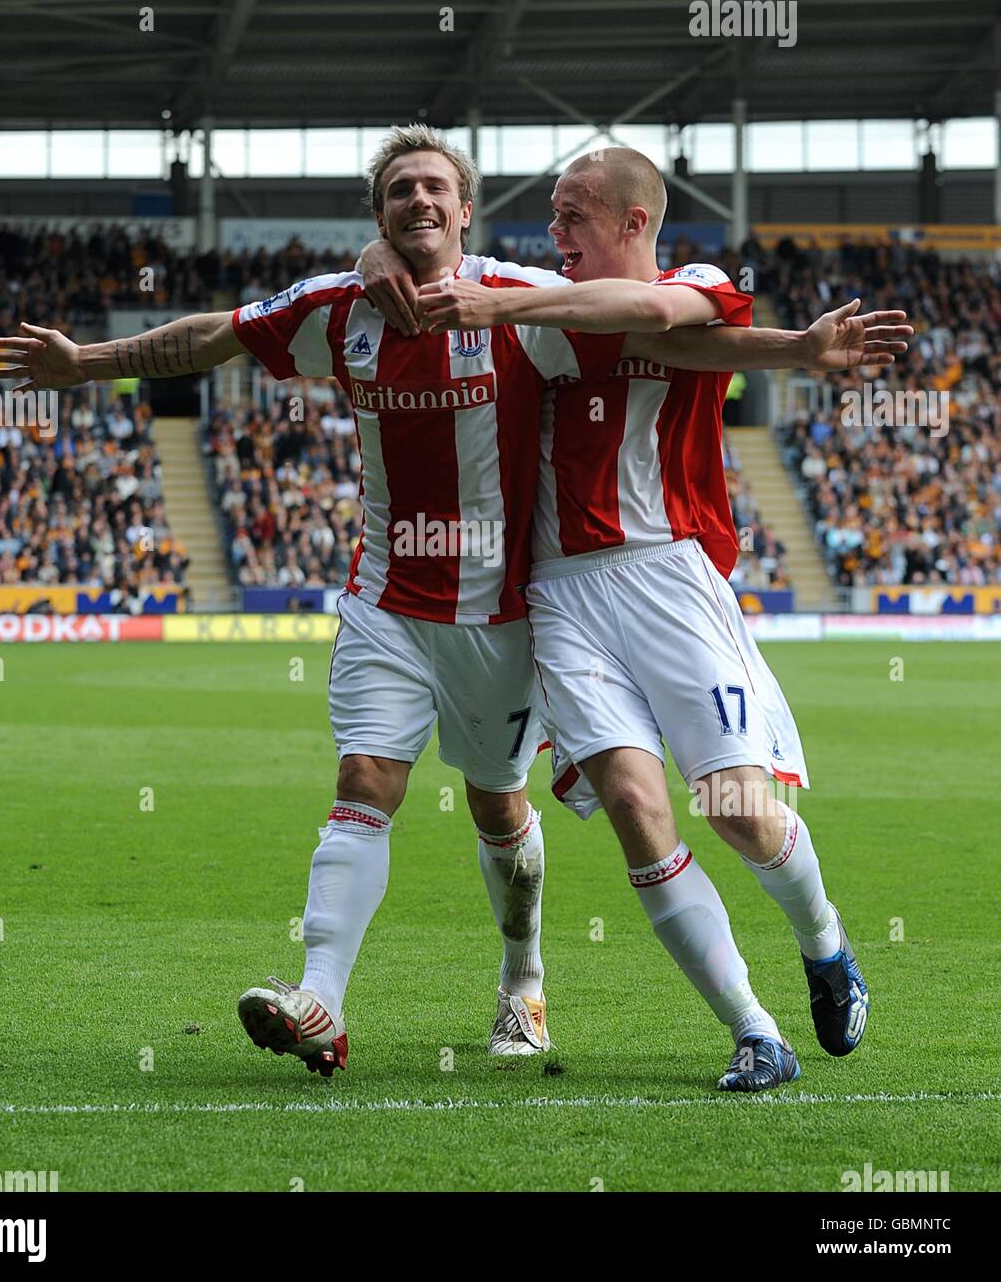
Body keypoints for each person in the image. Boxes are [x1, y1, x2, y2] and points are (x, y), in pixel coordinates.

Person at [0, 128, 903, 1087]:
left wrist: (799, 349)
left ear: (465, 211)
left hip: (526, 607)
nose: (419, 202)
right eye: (398, 193)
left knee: (593, 806)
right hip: (411, 596)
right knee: (386, 780)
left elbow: (652, 325)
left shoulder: (522, 304)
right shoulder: (339, 310)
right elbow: (213, 333)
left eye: (437, 188)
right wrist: (86, 363)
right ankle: (327, 1003)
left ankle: (567, 971)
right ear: (378, 215)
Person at [361, 145, 900, 1089]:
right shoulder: (534, 313)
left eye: (573, 216)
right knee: (633, 807)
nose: (553, 234)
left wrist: (791, 349)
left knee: (737, 810)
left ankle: (823, 943)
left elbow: (661, 322)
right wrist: (382, 260)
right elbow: (408, 269)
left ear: (633, 223)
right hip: (561, 592)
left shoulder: (684, 283)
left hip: (667, 580)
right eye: (552, 218)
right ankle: (755, 1032)